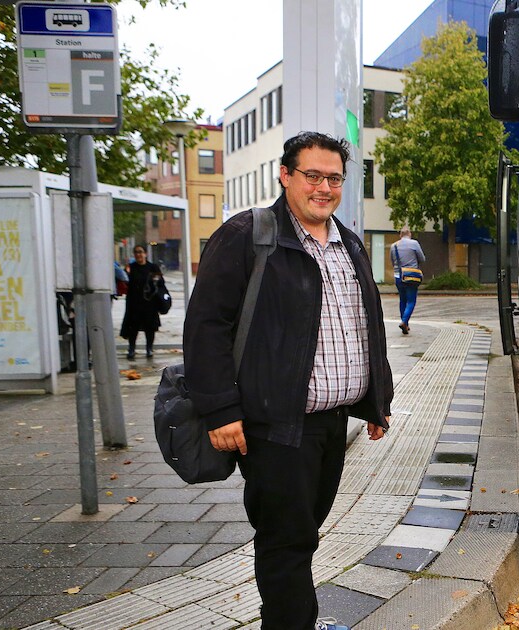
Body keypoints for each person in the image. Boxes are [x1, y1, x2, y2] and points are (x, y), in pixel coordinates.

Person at [184, 132, 394, 630]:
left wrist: (376, 401)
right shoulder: (247, 236)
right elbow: (206, 326)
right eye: (313, 176)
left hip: (330, 425)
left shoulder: (349, 244)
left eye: (334, 178)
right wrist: (220, 410)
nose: (324, 187)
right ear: (286, 175)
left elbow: (366, 325)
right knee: (286, 541)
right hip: (274, 427)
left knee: (303, 535)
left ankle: (288, 619)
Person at [120, 245, 164, 360]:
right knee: (132, 327)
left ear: (145, 254)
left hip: (150, 303)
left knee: (150, 327)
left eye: (140, 252)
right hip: (134, 302)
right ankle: (131, 349)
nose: (138, 254)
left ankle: (149, 348)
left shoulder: (152, 267)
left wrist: (155, 280)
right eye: (136, 252)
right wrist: (126, 273)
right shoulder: (131, 267)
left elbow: (160, 282)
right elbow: (125, 283)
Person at [390, 226, 426, 335]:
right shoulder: (414, 244)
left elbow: (392, 262)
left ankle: (405, 323)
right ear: (409, 234)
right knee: (411, 301)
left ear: (400, 235)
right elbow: (422, 259)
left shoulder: (393, 246)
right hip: (411, 276)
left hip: (398, 276)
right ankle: (404, 321)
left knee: (402, 300)